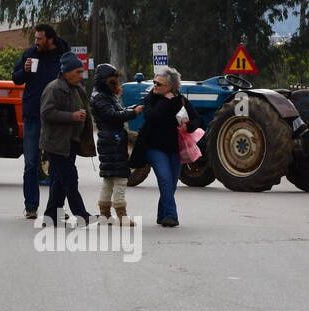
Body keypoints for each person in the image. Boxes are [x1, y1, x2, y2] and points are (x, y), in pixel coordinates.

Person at [12, 24, 72, 219]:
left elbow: (74, 81)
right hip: (32, 116)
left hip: (56, 118)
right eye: (35, 38)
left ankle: (55, 208)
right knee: (30, 163)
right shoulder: (30, 54)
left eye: (39, 39)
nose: (35, 42)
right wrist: (26, 71)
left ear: (50, 39)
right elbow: (16, 79)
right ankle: (31, 207)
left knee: (58, 165)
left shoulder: (64, 56)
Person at [130, 67, 199, 227]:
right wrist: (165, 100)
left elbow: (197, 119)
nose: (155, 85)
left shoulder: (180, 100)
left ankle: (162, 215)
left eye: (159, 84)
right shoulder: (150, 99)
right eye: (154, 82)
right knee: (165, 178)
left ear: (171, 87)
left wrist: (188, 127)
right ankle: (171, 215)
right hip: (153, 146)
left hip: (175, 148)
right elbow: (151, 116)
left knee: (172, 183)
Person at [39, 53, 96, 227]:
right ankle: (81, 215)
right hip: (56, 143)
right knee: (70, 178)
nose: (81, 76)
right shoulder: (54, 88)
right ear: (66, 72)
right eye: (78, 72)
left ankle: (50, 217)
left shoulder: (77, 88)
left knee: (59, 179)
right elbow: (47, 112)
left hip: (70, 142)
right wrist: (72, 116)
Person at [90, 63, 142, 225]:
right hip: (112, 140)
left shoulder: (104, 95)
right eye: (114, 79)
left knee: (109, 179)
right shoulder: (101, 97)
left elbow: (116, 111)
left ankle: (105, 215)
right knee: (120, 178)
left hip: (111, 139)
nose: (117, 82)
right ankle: (122, 216)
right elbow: (113, 115)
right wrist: (133, 113)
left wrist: (131, 109)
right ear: (106, 80)